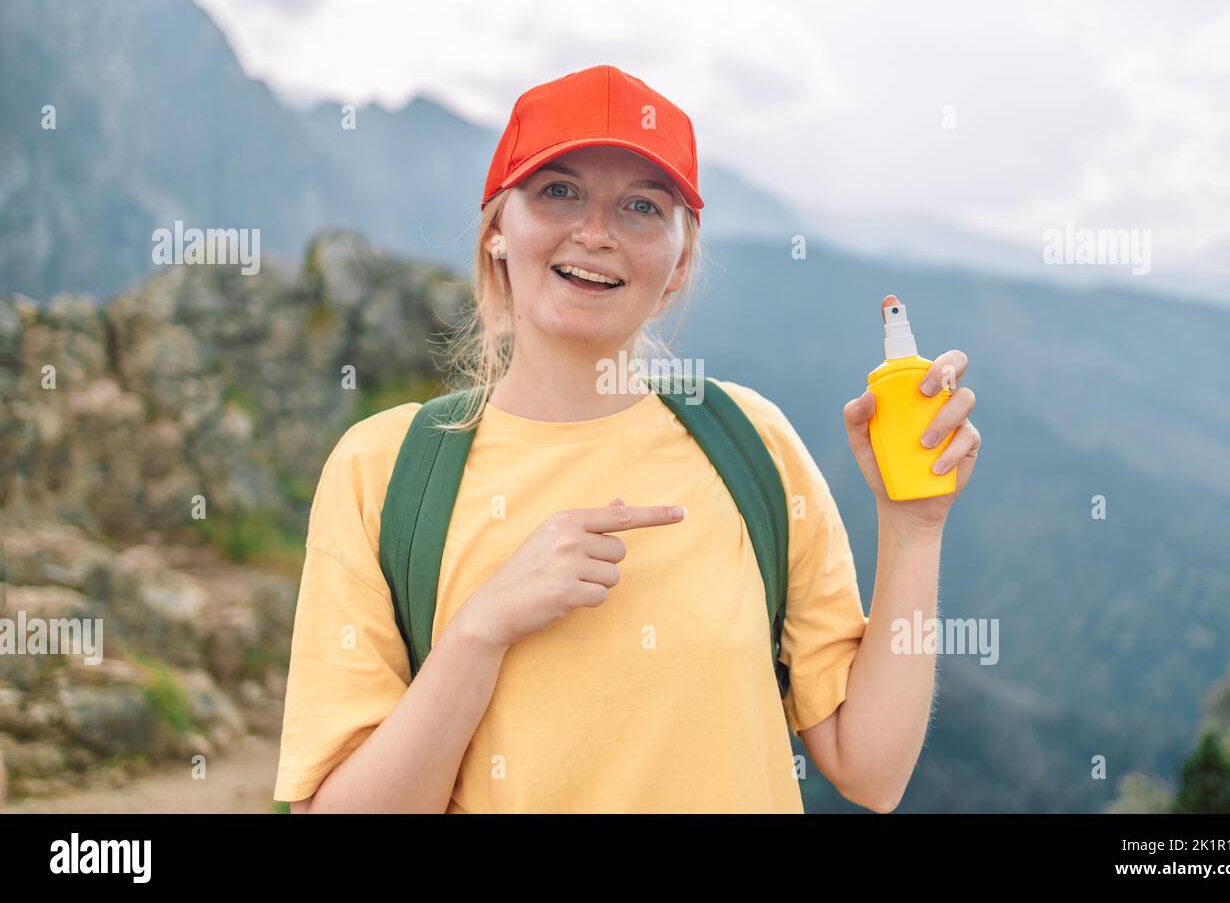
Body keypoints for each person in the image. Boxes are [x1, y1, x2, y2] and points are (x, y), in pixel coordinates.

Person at [273, 64, 980, 813]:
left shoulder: (749, 445)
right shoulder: (385, 474)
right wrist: (479, 631)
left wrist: (913, 531)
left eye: (642, 206)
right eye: (559, 191)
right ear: (496, 234)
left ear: (679, 263)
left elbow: (872, 769)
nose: (596, 232)